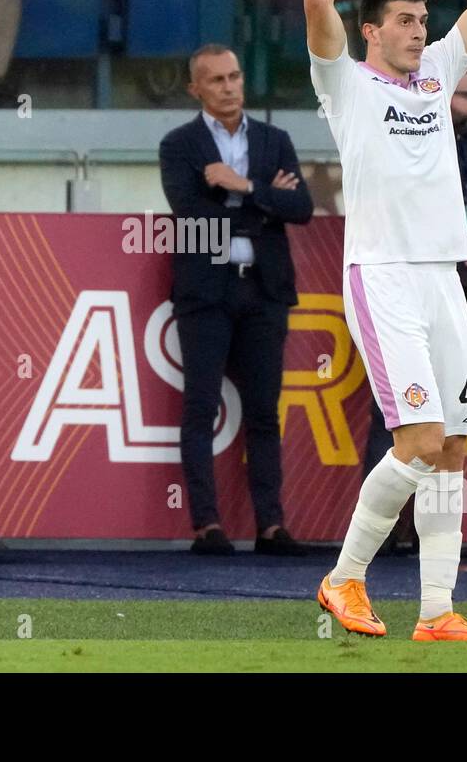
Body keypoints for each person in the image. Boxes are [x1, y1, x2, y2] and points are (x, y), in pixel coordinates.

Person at [308, 0, 467, 640]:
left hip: (443, 276)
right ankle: (344, 577)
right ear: (371, 32)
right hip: (382, 273)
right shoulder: (345, 82)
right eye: (403, 20)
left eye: (423, 19)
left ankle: (436, 610)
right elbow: (314, 0)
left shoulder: (436, 77)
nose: (418, 31)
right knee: (419, 443)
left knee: (455, 446)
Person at [159, 45, 314, 555]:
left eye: (235, 76)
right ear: (195, 89)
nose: (229, 87)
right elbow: (190, 215)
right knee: (201, 406)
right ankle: (207, 525)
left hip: (263, 289)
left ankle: (270, 525)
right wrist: (264, 200)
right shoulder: (178, 145)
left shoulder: (275, 140)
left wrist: (239, 185)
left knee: (264, 412)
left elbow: (302, 208)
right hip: (206, 290)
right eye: (217, 80)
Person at [363, 69, 467, 480]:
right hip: (413, 296)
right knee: (402, 417)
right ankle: (390, 532)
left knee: (455, 421)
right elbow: (402, 222)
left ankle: (432, 533)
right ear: (439, 98)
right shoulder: (406, 144)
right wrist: (463, 273)